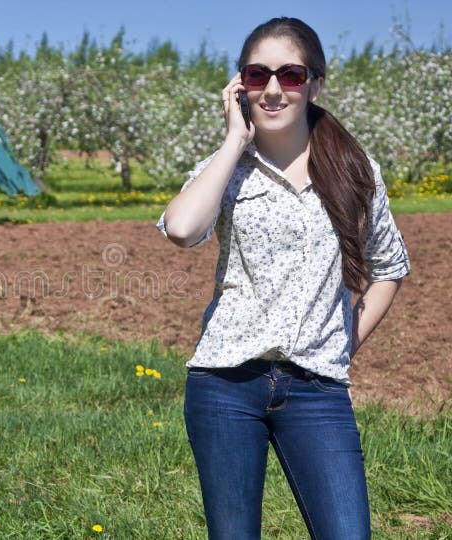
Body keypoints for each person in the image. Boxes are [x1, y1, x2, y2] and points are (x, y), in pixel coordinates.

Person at [156, 17, 410, 540]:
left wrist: (344, 343)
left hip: (317, 390)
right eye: (257, 75)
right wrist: (233, 140)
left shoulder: (355, 169)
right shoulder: (226, 168)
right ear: (238, 85)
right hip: (224, 386)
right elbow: (182, 229)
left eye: (290, 76)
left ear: (315, 83)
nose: (272, 89)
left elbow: (388, 268)